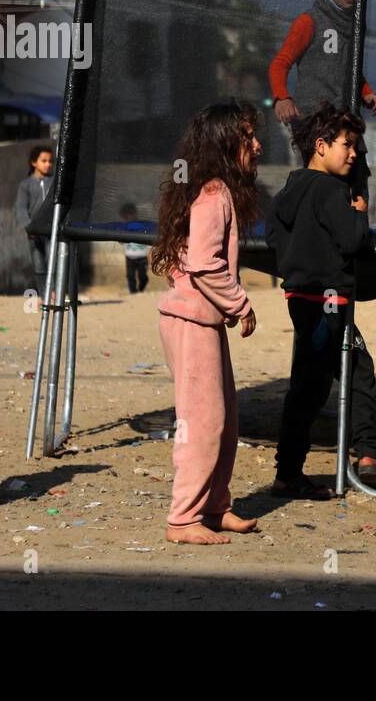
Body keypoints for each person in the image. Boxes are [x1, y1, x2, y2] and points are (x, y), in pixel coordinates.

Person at [150, 100, 262, 545]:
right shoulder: (214, 193)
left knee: (225, 418)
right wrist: (240, 304)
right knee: (203, 420)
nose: (257, 143)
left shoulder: (215, 190)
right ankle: (183, 519)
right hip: (192, 320)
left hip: (202, 319)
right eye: (247, 136)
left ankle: (215, 507)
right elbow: (204, 264)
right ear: (226, 143)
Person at [267, 103, 376, 495]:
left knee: (316, 378)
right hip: (328, 302)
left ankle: (293, 469)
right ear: (321, 145)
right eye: (347, 145)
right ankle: (361, 457)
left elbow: (273, 234)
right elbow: (352, 241)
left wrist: (295, 261)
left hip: (301, 297)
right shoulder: (335, 191)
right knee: (331, 378)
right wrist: (360, 213)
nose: (354, 154)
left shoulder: (290, 188)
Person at [269, 0, 376, 192]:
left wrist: (367, 92)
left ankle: (353, 225)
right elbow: (280, 63)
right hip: (316, 123)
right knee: (322, 186)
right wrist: (282, 97)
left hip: (346, 121)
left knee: (357, 185)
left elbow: (349, 70)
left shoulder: (354, 25)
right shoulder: (309, 22)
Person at [15, 144, 54, 289]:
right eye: (44, 161)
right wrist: (29, 227)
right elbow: (21, 208)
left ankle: (55, 294)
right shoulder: (26, 185)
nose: (48, 164)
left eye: (50, 161)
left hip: (52, 230)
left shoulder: (55, 182)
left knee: (53, 262)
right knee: (39, 265)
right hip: (34, 232)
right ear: (34, 162)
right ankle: (44, 295)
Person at [119, 203, 149, 294]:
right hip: (129, 257)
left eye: (129, 215)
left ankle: (141, 288)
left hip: (142, 256)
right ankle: (133, 292)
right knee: (130, 275)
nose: (127, 218)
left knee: (142, 276)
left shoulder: (141, 225)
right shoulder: (124, 227)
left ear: (135, 214)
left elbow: (148, 238)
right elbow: (121, 242)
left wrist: (150, 253)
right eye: (124, 216)